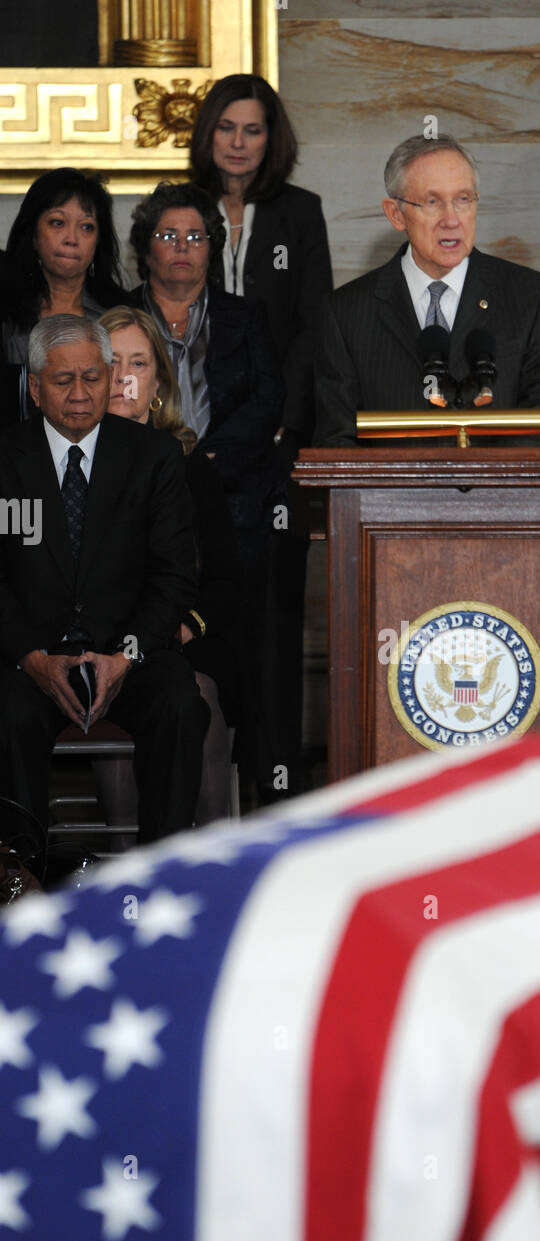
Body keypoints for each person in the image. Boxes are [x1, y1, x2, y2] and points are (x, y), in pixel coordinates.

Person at [0, 315, 208, 843]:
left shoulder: (154, 458)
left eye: (92, 378)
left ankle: (164, 871)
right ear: (34, 385)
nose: (78, 394)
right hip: (31, 661)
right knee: (7, 713)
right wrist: (33, 658)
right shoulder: (5, 460)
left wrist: (125, 657)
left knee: (180, 700)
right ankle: (23, 880)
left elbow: (174, 576)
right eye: (62, 379)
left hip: (128, 653)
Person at [189, 73, 334, 798]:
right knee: (199, 614)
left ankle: (275, 790)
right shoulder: (182, 210)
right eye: (227, 128)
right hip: (198, 442)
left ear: (270, 139)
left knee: (275, 621)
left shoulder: (299, 213)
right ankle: (203, 795)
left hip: (275, 447)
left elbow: (314, 326)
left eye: (253, 129)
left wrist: (284, 419)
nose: (239, 143)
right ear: (207, 133)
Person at [127, 181, 286, 802]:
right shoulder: (119, 319)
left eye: (196, 236)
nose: (183, 248)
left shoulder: (242, 317)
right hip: (138, 499)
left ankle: (254, 812)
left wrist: (201, 464)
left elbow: (267, 400)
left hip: (233, 508)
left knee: (238, 664)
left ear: (212, 248)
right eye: (169, 236)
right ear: (146, 249)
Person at [313, 133, 540, 447]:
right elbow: (336, 436)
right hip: (394, 495)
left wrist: (483, 485)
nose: (451, 220)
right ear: (396, 214)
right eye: (432, 202)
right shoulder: (346, 313)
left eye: (463, 199)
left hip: (500, 494)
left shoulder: (531, 297)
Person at [100, 304, 244, 825]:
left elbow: (227, 580)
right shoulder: (66, 463)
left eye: (137, 363)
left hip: (186, 637)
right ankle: (125, 883)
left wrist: (180, 630)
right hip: (96, 642)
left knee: (192, 693)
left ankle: (198, 874)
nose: (122, 377)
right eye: (111, 362)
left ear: (158, 380)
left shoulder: (189, 467)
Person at [0, 168, 130, 426]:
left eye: (86, 227)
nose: (72, 239)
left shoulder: (118, 314)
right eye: (57, 223)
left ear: (98, 242)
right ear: (34, 235)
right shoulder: (6, 309)